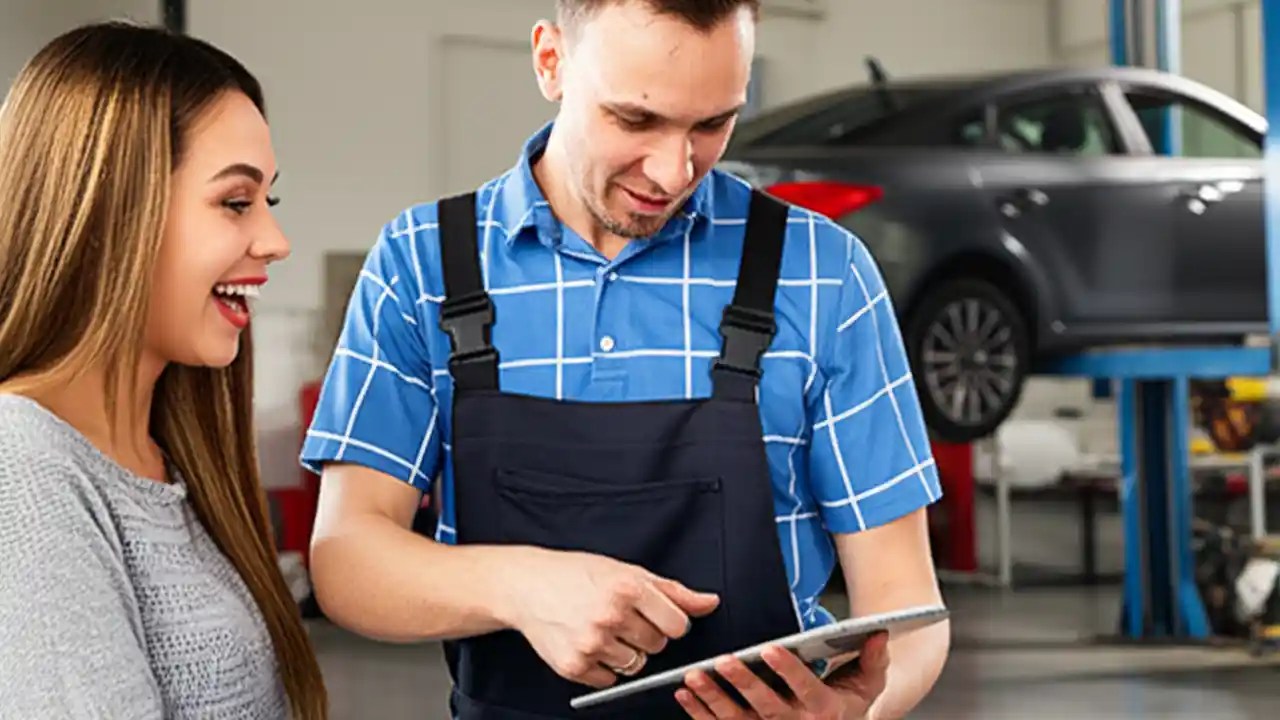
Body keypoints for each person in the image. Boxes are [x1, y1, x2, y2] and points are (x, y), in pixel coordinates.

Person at [303, 0, 949, 717]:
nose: (674, 171)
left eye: (712, 124)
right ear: (551, 61)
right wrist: (523, 588)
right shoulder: (421, 265)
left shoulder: (823, 273)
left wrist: (852, 713)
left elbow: (909, 609)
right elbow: (347, 558)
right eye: (636, 120)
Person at [0, 21, 326, 720]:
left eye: (268, 202)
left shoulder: (167, 454)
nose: (274, 240)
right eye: (235, 202)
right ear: (115, 207)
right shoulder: (22, 464)